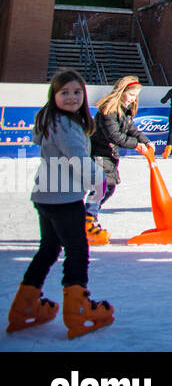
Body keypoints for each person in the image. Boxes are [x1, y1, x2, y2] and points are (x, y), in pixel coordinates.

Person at [6, 69, 114, 338]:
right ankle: (79, 310)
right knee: (77, 252)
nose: (72, 97)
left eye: (77, 92)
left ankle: (24, 305)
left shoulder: (49, 119)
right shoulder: (66, 125)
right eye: (64, 92)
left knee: (48, 249)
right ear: (53, 94)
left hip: (46, 196)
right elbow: (77, 158)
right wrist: (100, 182)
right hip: (64, 199)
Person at [86, 76, 152, 244]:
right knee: (101, 186)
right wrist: (136, 145)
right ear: (122, 91)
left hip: (108, 154)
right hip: (98, 153)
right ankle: (86, 222)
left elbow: (132, 130)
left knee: (109, 187)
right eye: (131, 94)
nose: (133, 99)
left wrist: (145, 141)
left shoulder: (124, 111)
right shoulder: (109, 110)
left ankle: (88, 218)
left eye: (135, 96)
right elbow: (114, 135)